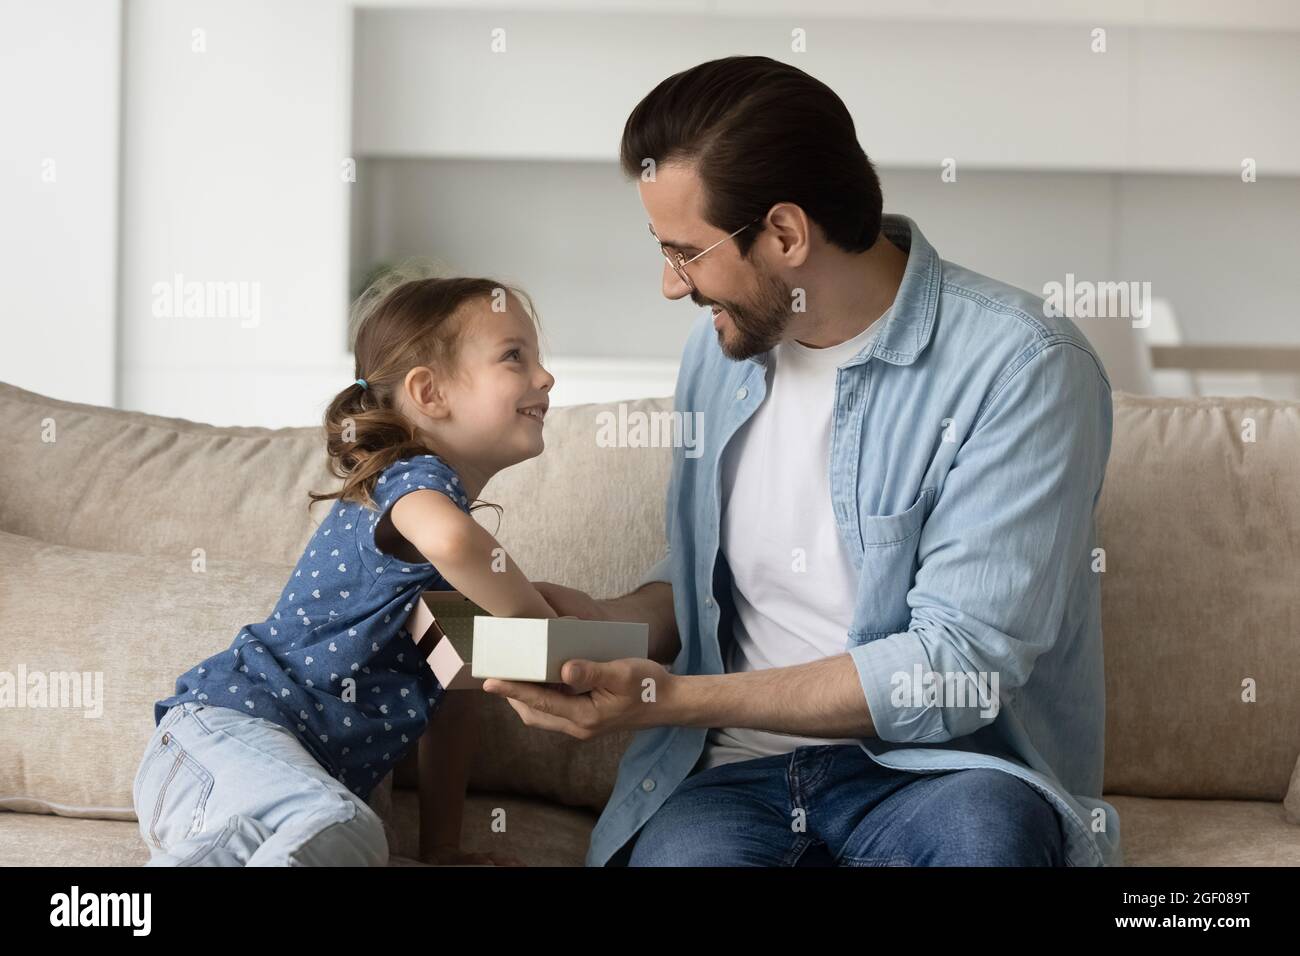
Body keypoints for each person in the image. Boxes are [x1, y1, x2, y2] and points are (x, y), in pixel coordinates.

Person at [482, 56, 1123, 868]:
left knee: (983, 846)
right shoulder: (719, 352)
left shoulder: (1024, 365)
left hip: (937, 776)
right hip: (731, 779)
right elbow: (711, 573)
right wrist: (615, 625)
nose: (672, 286)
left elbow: (954, 667)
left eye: (686, 253)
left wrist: (668, 698)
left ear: (785, 234)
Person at [134, 273, 556, 865]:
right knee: (347, 827)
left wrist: (442, 848)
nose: (545, 377)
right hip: (226, 743)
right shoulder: (410, 479)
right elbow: (454, 538)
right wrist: (541, 628)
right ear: (429, 393)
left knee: (343, 841)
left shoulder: (430, 535)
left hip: (240, 794)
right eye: (515, 356)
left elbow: (455, 700)